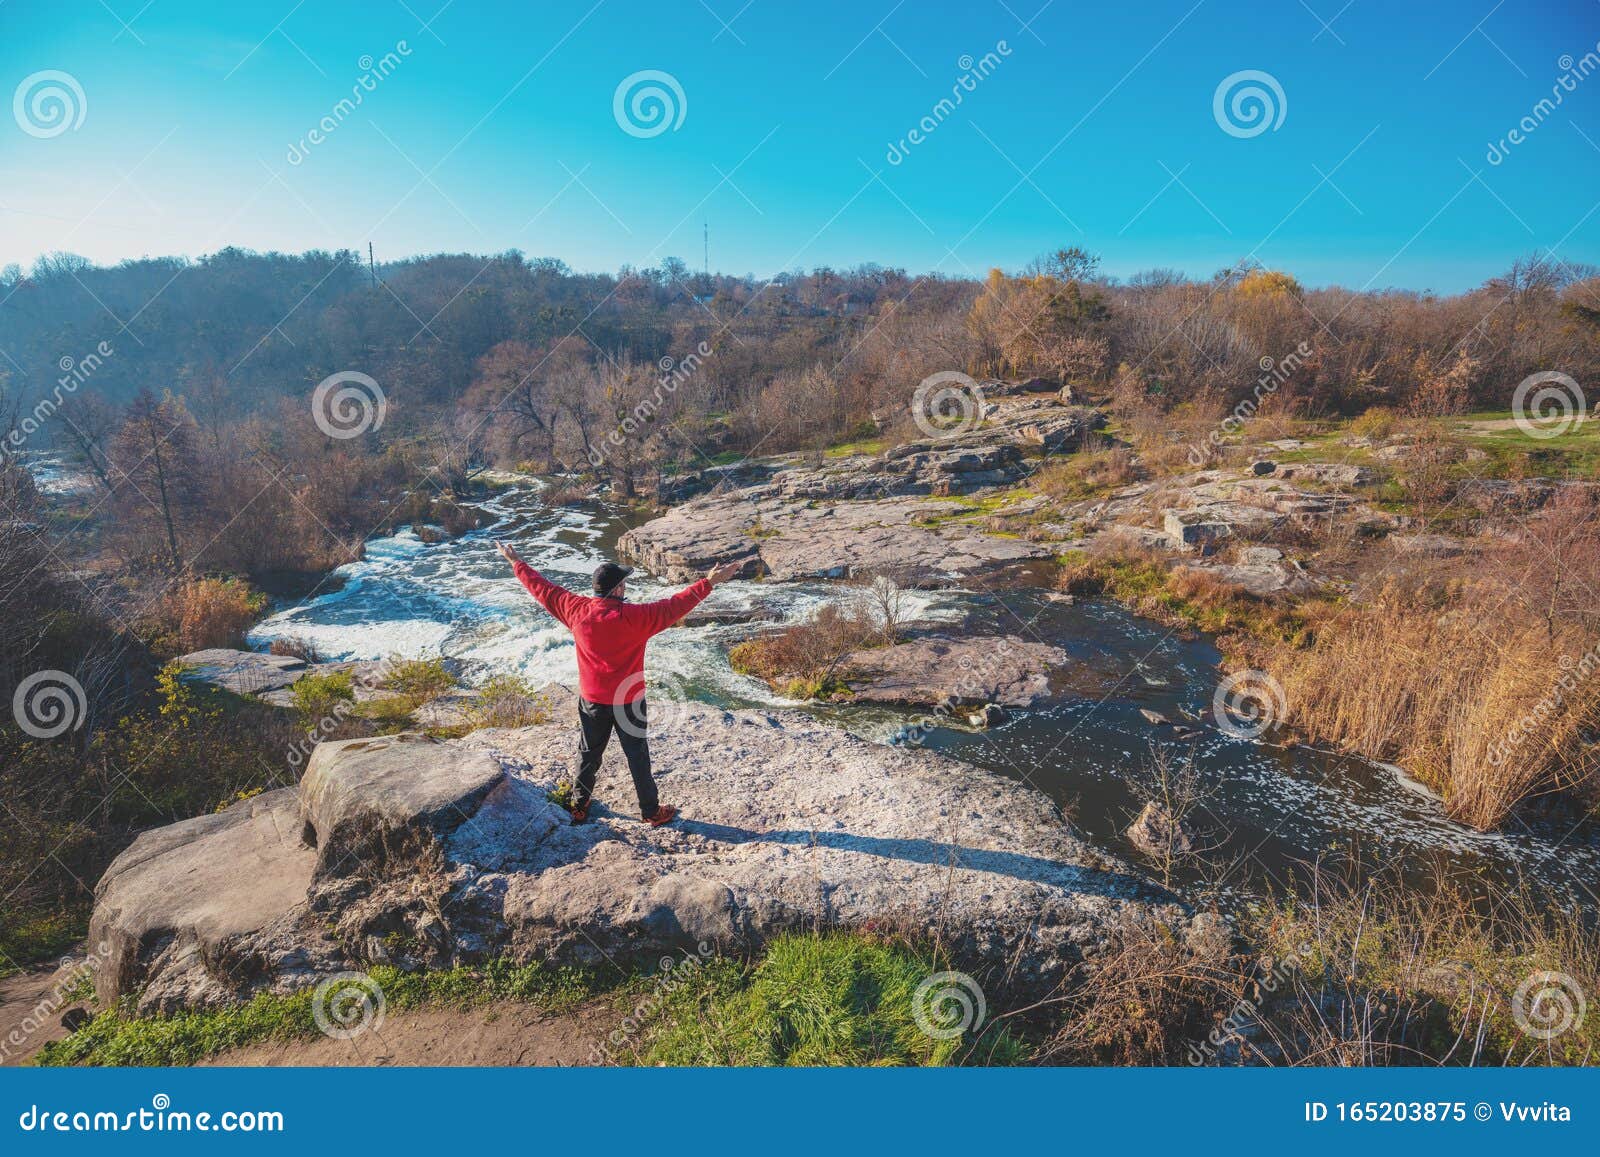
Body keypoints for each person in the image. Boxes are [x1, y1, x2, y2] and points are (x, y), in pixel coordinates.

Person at [495, 540, 741, 826]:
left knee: (588, 754)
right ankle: (650, 811)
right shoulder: (637, 617)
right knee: (637, 756)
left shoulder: (575, 610)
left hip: (592, 701)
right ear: (617, 589)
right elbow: (676, 605)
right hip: (629, 702)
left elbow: (542, 589)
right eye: (624, 583)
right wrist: (709, 582)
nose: (626, 587)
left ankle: (578, 806)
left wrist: (516, 562)